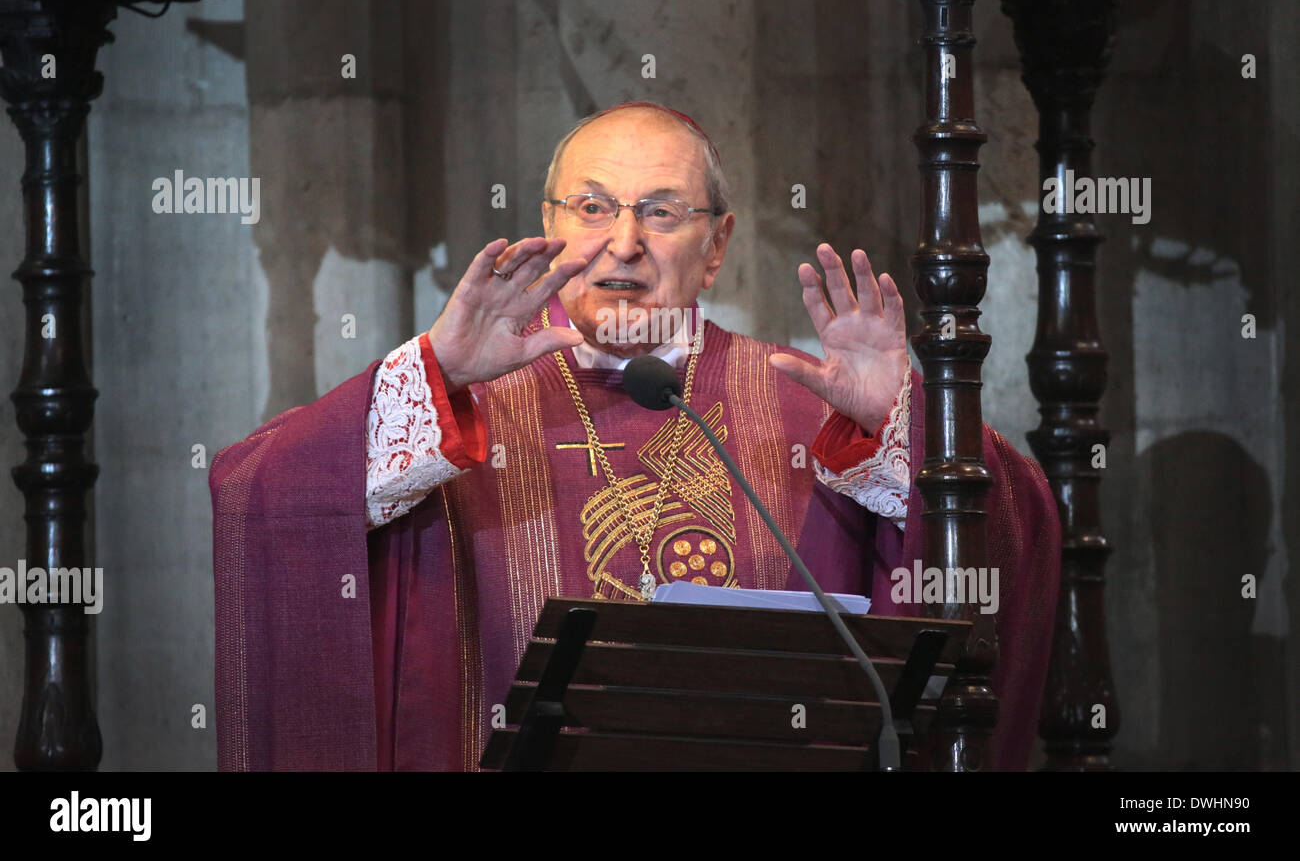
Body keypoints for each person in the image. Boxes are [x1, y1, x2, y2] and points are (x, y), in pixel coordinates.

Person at [210, 101, 1060, 771]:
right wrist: (433, 369)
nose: (623, 243)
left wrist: (905, 422)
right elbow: (259, 492)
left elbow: (1017, 534)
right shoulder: (450, 401)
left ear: (717, 244)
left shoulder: (811, 405)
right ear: (550, 223)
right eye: (592, 207)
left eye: (661, 211)